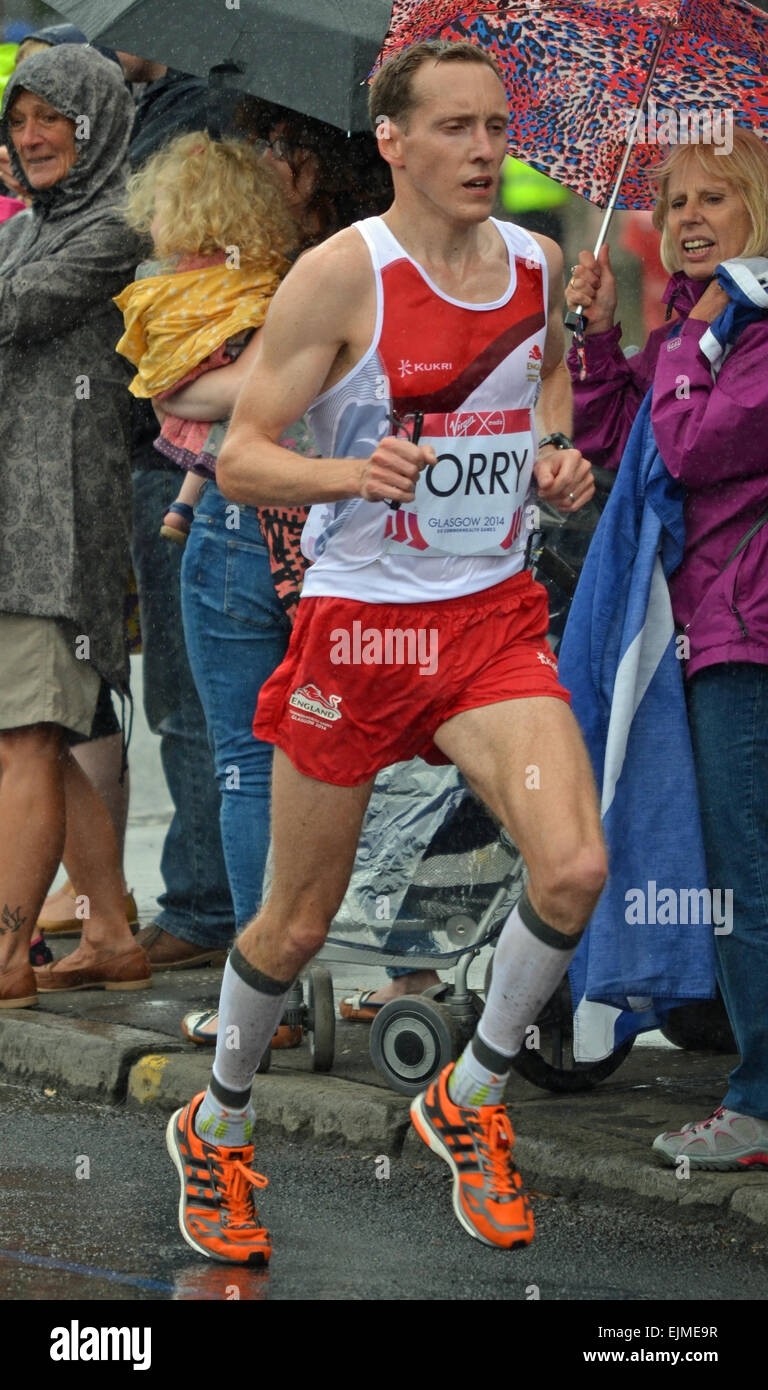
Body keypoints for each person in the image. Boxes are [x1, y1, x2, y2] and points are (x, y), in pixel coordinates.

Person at [165, 40, 607, 1264]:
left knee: (571, 866)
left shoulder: (537, 262)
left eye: (498, 129)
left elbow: (546, 389)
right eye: (456, 128)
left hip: (487, 623)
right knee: (295, 924)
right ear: (394, 144)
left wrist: (559, 459)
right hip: (356, 629)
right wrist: (348, 470)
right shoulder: (336, 276)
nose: (483, 150)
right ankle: (220, 1119)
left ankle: (470, 1100)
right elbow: (244, 452)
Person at [153, 103, 394, 1045]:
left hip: (255, 526)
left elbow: (181, 388)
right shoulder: (404, 266)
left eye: (280, 147)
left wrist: (205, 385)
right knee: (364, 751)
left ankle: (264, 1000)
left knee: (252, 765)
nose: (264, 162)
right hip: (362, 542)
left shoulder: (301, 273)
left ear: (314, 165)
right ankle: (396, 966)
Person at [566, 125, 768, 1169]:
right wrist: (601, 340)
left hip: (748, 635)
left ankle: (759, 1104)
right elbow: (616, 443)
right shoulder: (710, 326)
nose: (687, 217)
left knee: (750, 872)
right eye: (675, 200)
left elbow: (689, 443)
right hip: (707, 634)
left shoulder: (744, 328)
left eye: (715, 199)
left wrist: (693, 334)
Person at [0, 45, 150, 1005]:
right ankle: (112, 928)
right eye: (19, 121)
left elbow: (16, 310)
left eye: (53, 117)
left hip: (56, 534)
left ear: (96, 122)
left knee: (22, 742)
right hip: (21, 526)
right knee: (49, 736)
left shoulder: (118, 223)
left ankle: (8, 955)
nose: (32, 137)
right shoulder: (31, 225)